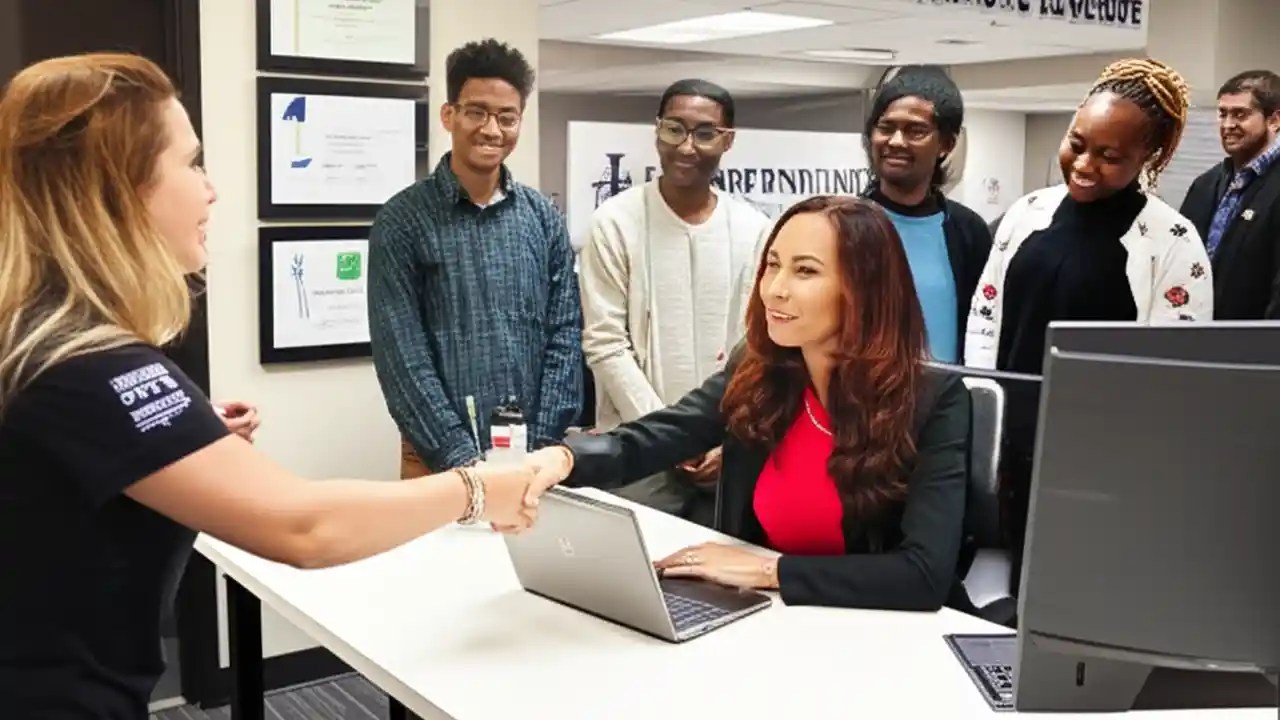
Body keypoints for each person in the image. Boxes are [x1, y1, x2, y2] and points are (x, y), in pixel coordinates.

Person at [0, 53, 548, 718]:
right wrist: (479, 487)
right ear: (120, 187)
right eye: (192, 163)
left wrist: (186, 434)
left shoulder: (38, 335)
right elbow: (304, 526)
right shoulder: (89, 364)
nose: (210, 190)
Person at [517, 196, 973, 611]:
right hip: (771, 620)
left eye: (805, 271)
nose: (774, 288)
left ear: (864, 288)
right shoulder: (761, 372)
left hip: (888, 637)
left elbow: (922, 576)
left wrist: (768, 571)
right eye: (773, 265)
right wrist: (564, 459)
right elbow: (661, 435)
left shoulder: (934, 401)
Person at [368, 39, 582, 477]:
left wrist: (541, 446)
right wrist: (460, 459)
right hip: (439, 463)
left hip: (533, 459)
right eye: (477, 112)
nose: (492, 130)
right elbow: (401, 357)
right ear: (449, 115)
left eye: (507, 117)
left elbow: (564, 335)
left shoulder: (542, 217)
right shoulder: (402, 220)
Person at [579, 78, 772, 523]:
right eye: (674, 129)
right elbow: (606, 344)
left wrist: (723, 439)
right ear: (657, 131)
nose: (687, 146)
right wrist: (670, 438)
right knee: (636, 561)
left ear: (727, 141)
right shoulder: (615, 223)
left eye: (705, 133)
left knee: (721, 560)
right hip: (637, 449)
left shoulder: (753, 229)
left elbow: (758, 350)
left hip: (724, 453)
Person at [964, 58, 1213, 374]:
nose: (1083, 165)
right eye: (1076, 144)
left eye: (1109, 156)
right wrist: (982, 389)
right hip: (1010, 400)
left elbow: (1176, 359)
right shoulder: (1027, 211)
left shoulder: (1173, 240)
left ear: (1148, 156)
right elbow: (985, 317)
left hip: (1106, 405)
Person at [861, 64, 991, 364]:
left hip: (948, 391)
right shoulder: (841, 225)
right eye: (886, 127)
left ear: (946, 144)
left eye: (915, 131)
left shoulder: (968, 232)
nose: (896, 141)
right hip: (860, 391)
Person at [1179, 69, 1280, 319]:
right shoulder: (1206, 185)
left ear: (1275, 120)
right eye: (1223, 113)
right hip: (1197, 333)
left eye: (1240, 114)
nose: (1227, 125)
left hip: (1258, 340)